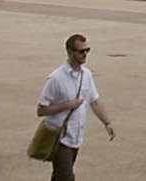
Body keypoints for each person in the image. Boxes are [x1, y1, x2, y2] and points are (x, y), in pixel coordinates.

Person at [36, 33, 115, 181]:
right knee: (66, 178)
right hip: (60, 138)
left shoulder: (86, 75)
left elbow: (94, 101)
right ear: (70, 52)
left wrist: (107, 123)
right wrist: (66, 105)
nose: (85, 54)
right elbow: (41, 110)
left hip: (76, 137)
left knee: (59, 177)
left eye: (87, 50)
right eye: (81, 51)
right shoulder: (56, 78)